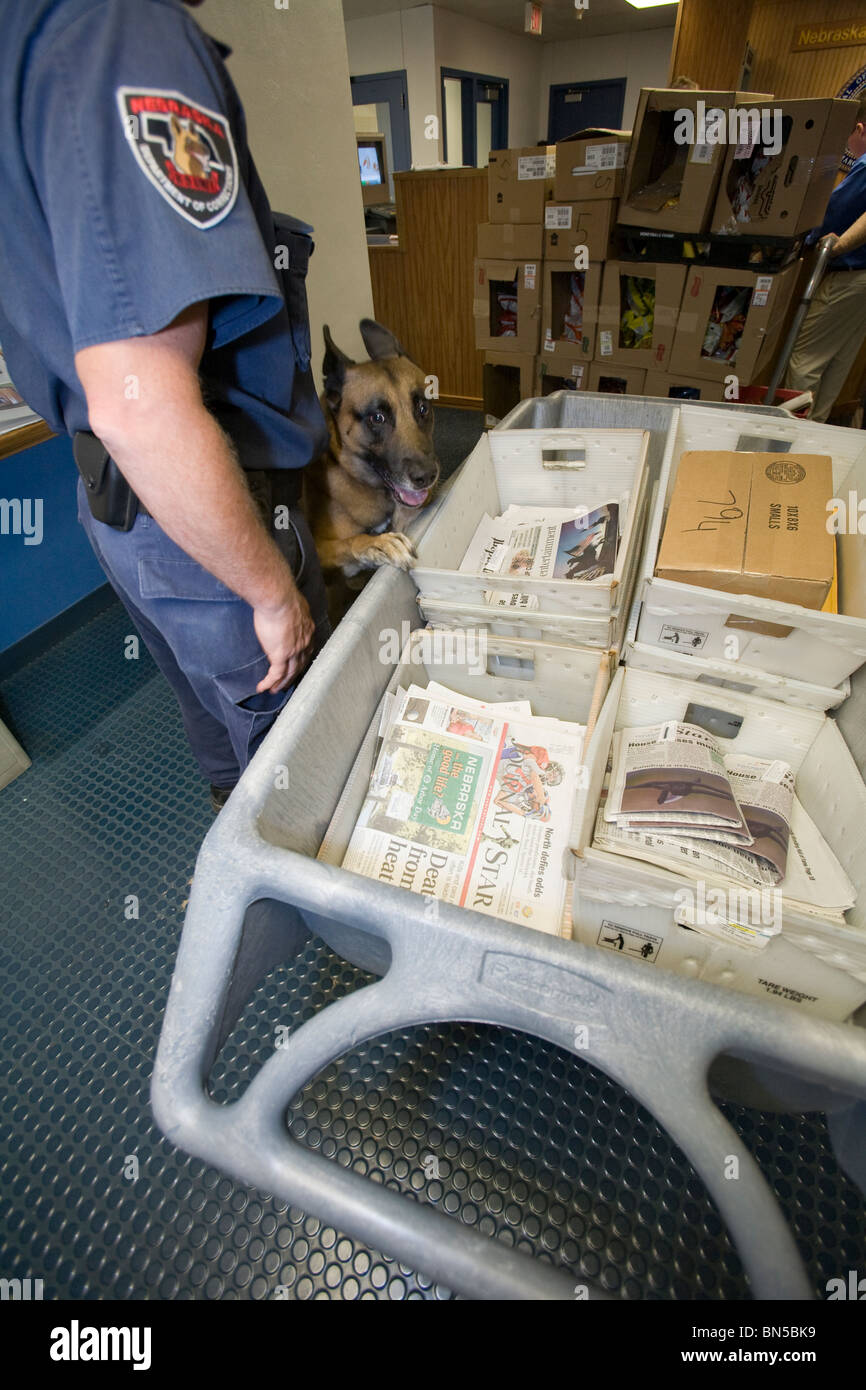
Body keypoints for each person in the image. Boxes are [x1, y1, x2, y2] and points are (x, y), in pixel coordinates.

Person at [0, 0, 330, 813]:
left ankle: (235, 855)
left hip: (118, 503)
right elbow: (141, 405)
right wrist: (271, 593)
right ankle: (315, 913)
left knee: (217, 720)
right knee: (303, 741)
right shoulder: (124, 32)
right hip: (202, 499)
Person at [785, 100, 866, 422]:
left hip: (847, 276)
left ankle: (789, 441)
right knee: (838, 362)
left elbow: (831, 213)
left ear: (859, 129)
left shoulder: (865, 165)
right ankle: (814, 442)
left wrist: (803, 236)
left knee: (805, 363)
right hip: (862, 283)